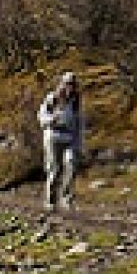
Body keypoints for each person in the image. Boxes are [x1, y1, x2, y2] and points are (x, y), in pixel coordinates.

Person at [38, 72, 83, 211]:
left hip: (69, 138)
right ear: (62, 83)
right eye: (68, 83)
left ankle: (67, 199)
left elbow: (79, 123)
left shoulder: (76, 101)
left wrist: (80, 142)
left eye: (73, 84)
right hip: (53, 136)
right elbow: (41, 118)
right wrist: (52, 119)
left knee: (71, 165)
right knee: (54, 170)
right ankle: (50, 201)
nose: (70, 86)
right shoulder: (52, 98)